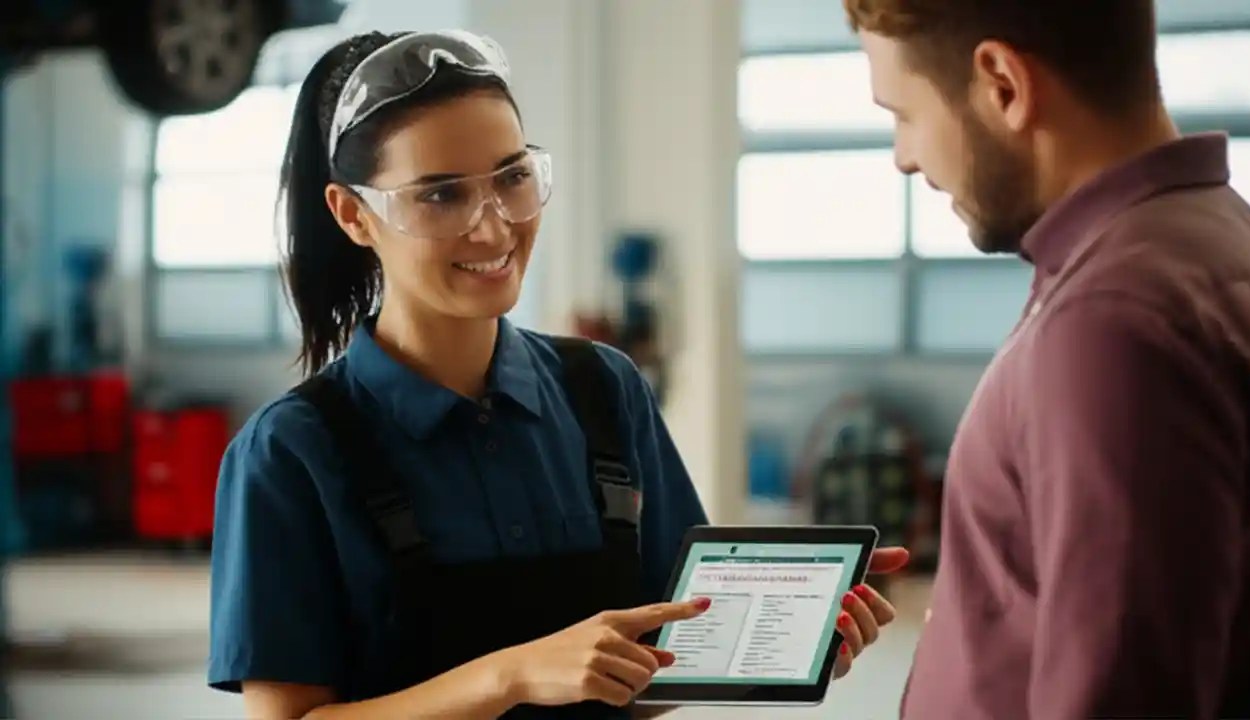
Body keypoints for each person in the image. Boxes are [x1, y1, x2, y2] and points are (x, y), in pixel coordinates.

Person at [207, 29, 909, 719]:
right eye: (441, 195)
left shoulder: (603, 391)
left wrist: (779, 637)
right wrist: (510, 676)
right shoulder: (291, 453)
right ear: (353, 214)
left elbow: (648, 675)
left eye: (512, 178)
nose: (493, 228)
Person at [841, 1, 1250, 718]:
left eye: (905, 113)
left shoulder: (1114, 322)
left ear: (1003, 85)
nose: (905, 156)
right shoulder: (1224, 242)